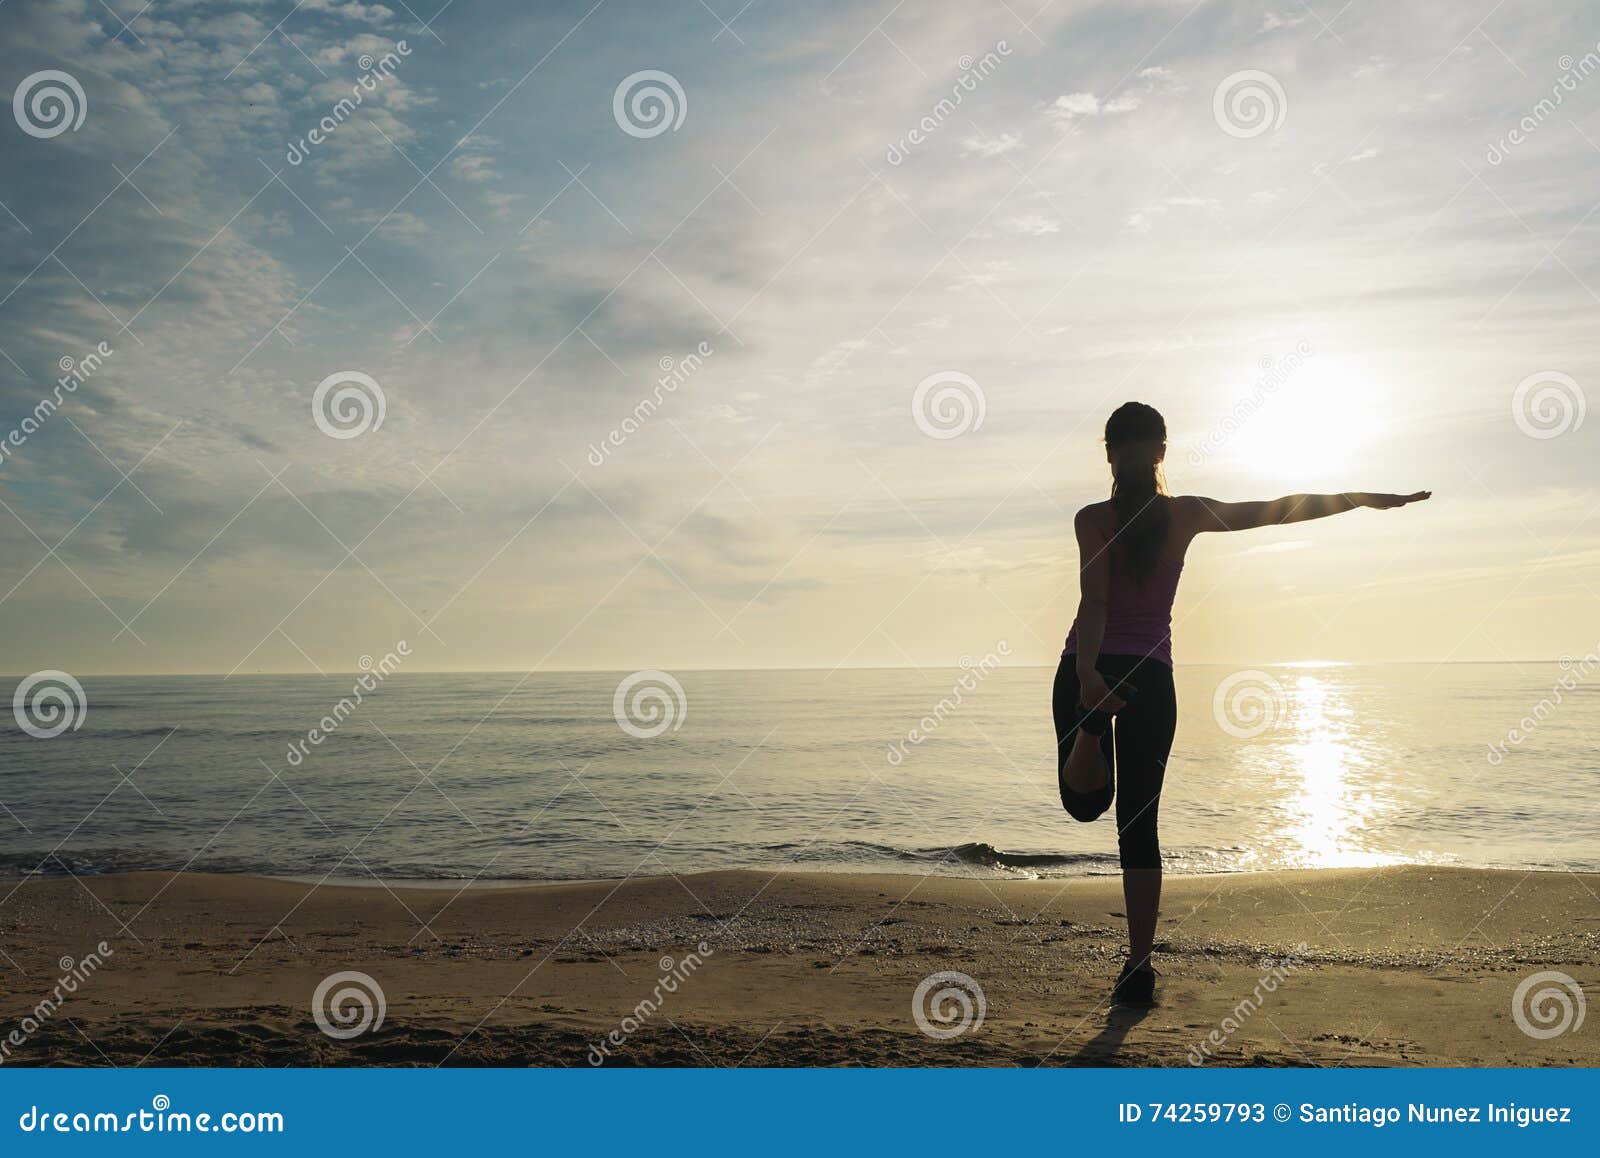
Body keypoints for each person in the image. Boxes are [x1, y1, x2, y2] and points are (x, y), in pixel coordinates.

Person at [1055, 401, 1430, 1004]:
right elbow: (1275, 513)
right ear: (1161, 451)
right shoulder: (1186, 515)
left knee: (1083, 804)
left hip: (1091, 665)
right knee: (1138, 825)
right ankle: (1139, 968)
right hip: (1151, 674)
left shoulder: (1090, 518)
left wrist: (1087, 674)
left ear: (1107, 452)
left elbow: (1094, 601)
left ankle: (1092, 731)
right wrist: (1356, 497)